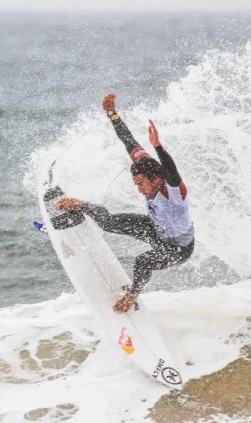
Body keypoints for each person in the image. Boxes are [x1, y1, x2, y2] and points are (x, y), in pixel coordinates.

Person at [57, 93, 195, 313]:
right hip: (156, 229)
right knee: (108, 222)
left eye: (141, 184)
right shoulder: (144, 165)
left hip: (178, 248)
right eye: (136, 183)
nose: (138, 188)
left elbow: (172, 171)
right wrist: (112, 114)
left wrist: (158, 147)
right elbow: (128, 141)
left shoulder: (173, 194)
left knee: (143, 261)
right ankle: (81, 205)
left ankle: (132, 296)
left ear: (157, 180)